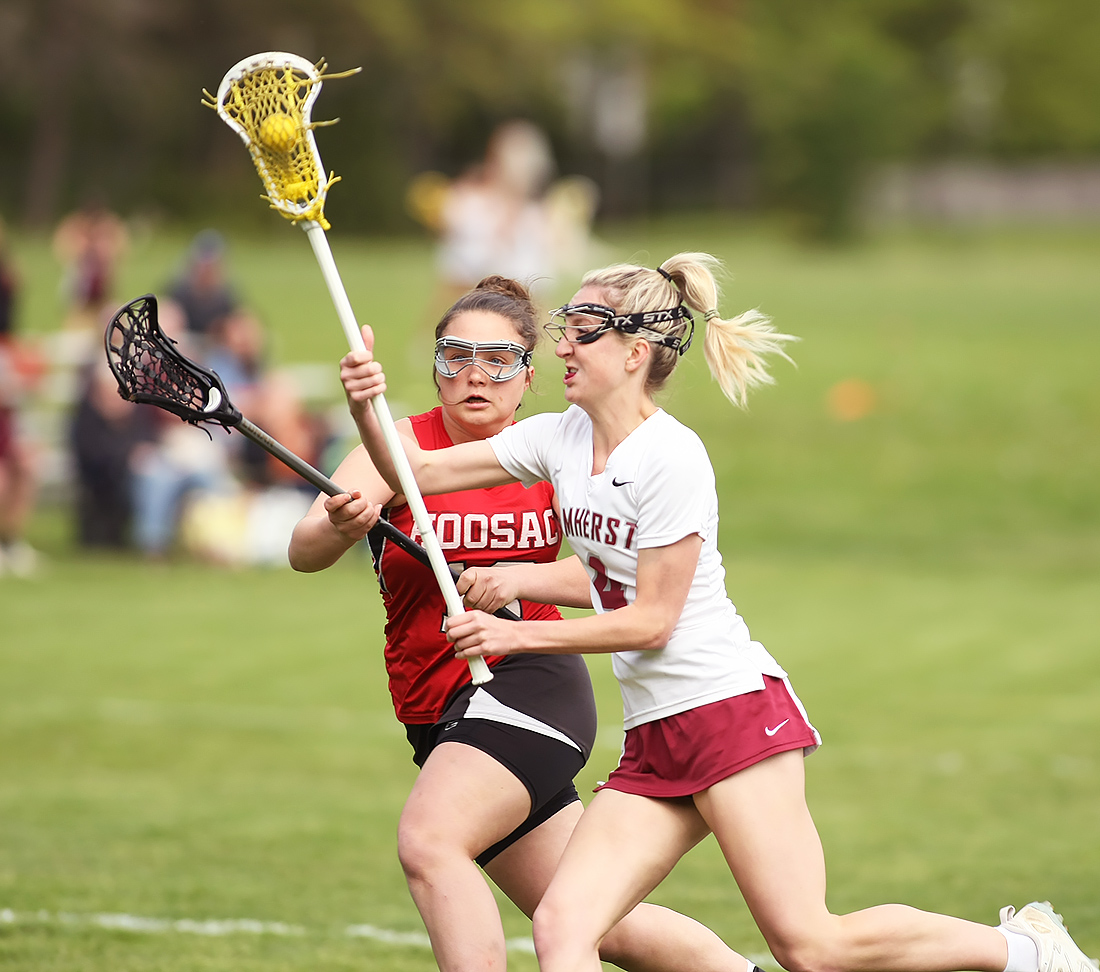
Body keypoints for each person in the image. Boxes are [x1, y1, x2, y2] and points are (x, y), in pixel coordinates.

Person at [338, 254, 1097, 972]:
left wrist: (516, 630)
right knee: (563, 927)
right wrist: (367, 407)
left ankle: (1023, 950)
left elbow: (652, 623)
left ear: (634, 352)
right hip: (654, 736)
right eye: (566, 326)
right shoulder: (560, 437)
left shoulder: (671, 457)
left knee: (811, 946)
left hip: (729, 715)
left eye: (583, 330)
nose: (561, 344)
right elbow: (418, 470)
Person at [289, 276, 758, 972]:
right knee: (596, 925)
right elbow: (305, 551)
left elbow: (615, 575)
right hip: (433, 701)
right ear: (435, 366)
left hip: (526, 678)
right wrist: (340, 522)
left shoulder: (551, 448)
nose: (476, 376)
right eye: (456, 356)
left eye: (499, 361)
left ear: (529, 375)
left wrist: (517, 578)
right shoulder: (401, 447)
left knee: (430, 841)